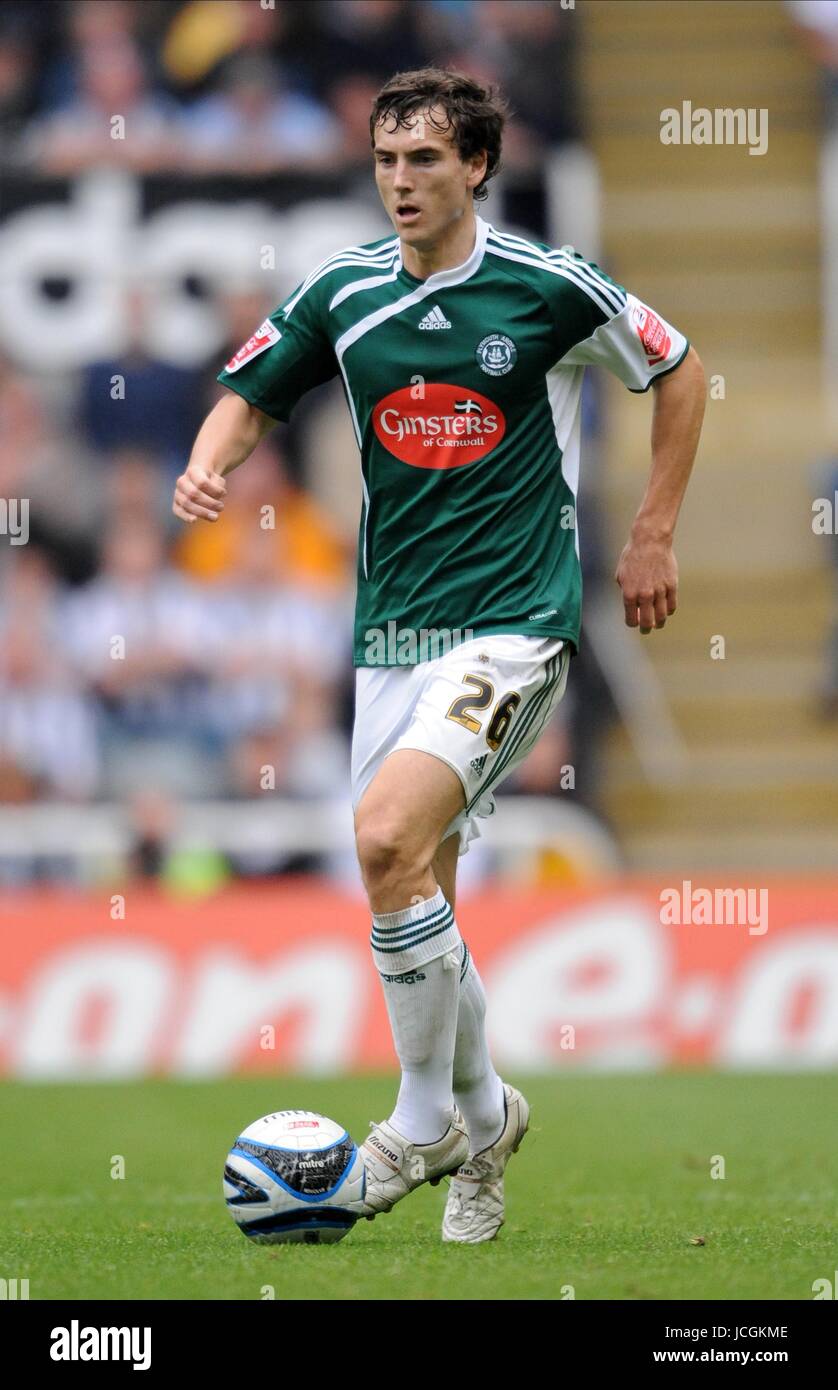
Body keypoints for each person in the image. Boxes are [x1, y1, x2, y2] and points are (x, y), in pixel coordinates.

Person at [172, 68, 706, 1243]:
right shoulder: (343, 292)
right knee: (410, 887)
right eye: (385, 160)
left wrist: (652, 529)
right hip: (390, 638)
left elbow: (679, 367)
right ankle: (486, 1120)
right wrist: (211, 458)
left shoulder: (545, 286)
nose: (400, 181)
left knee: (379, 839)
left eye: (423, 160)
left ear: (474, 167)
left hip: (514, 624)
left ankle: (418, 1124)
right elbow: (249, 391)